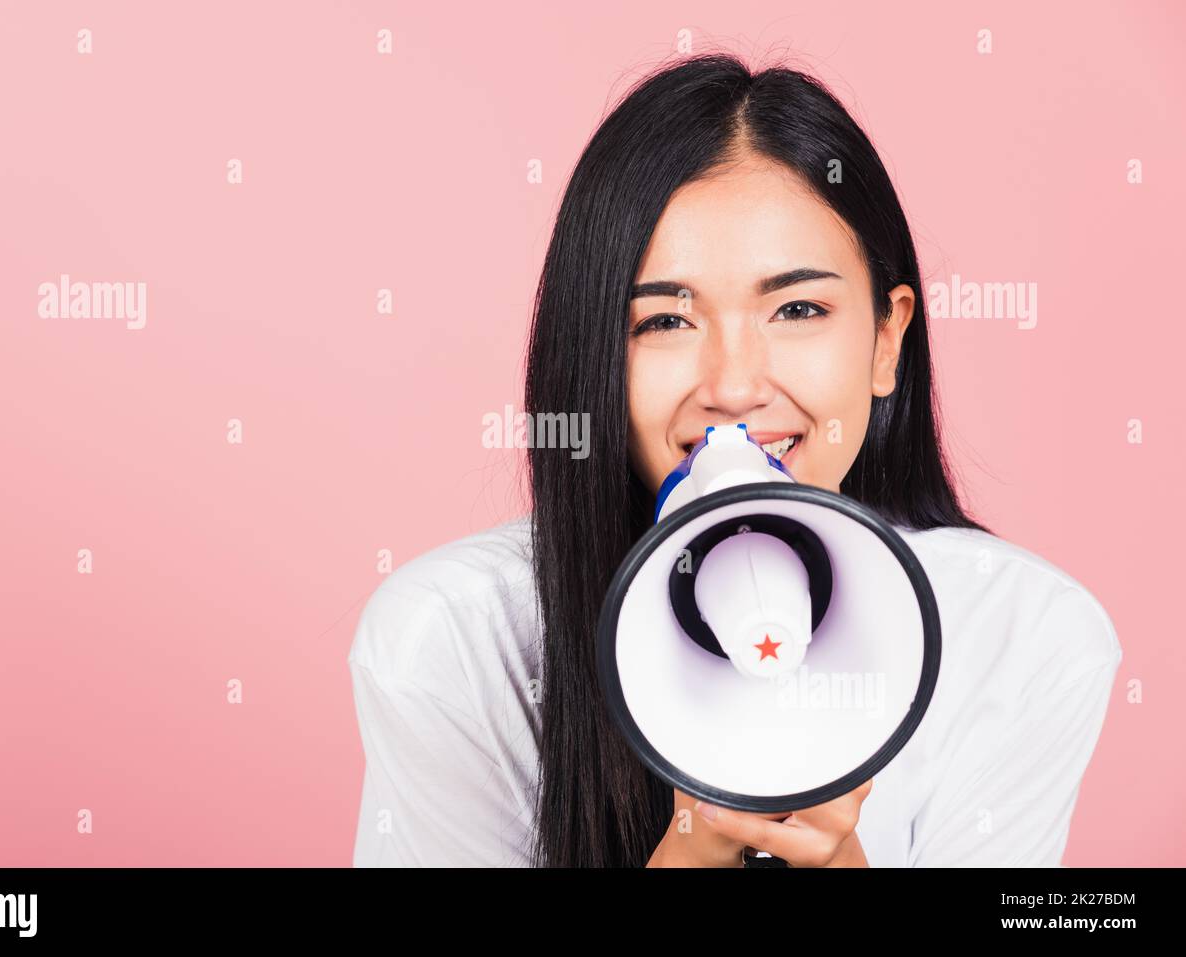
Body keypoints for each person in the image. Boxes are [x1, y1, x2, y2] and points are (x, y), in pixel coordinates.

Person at [347, 54, 1122, 867]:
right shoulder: (451, 643)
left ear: (887, 339)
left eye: (797, 308)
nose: (735, 387)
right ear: (592, 356)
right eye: (664, 322)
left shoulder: (1027, 638)